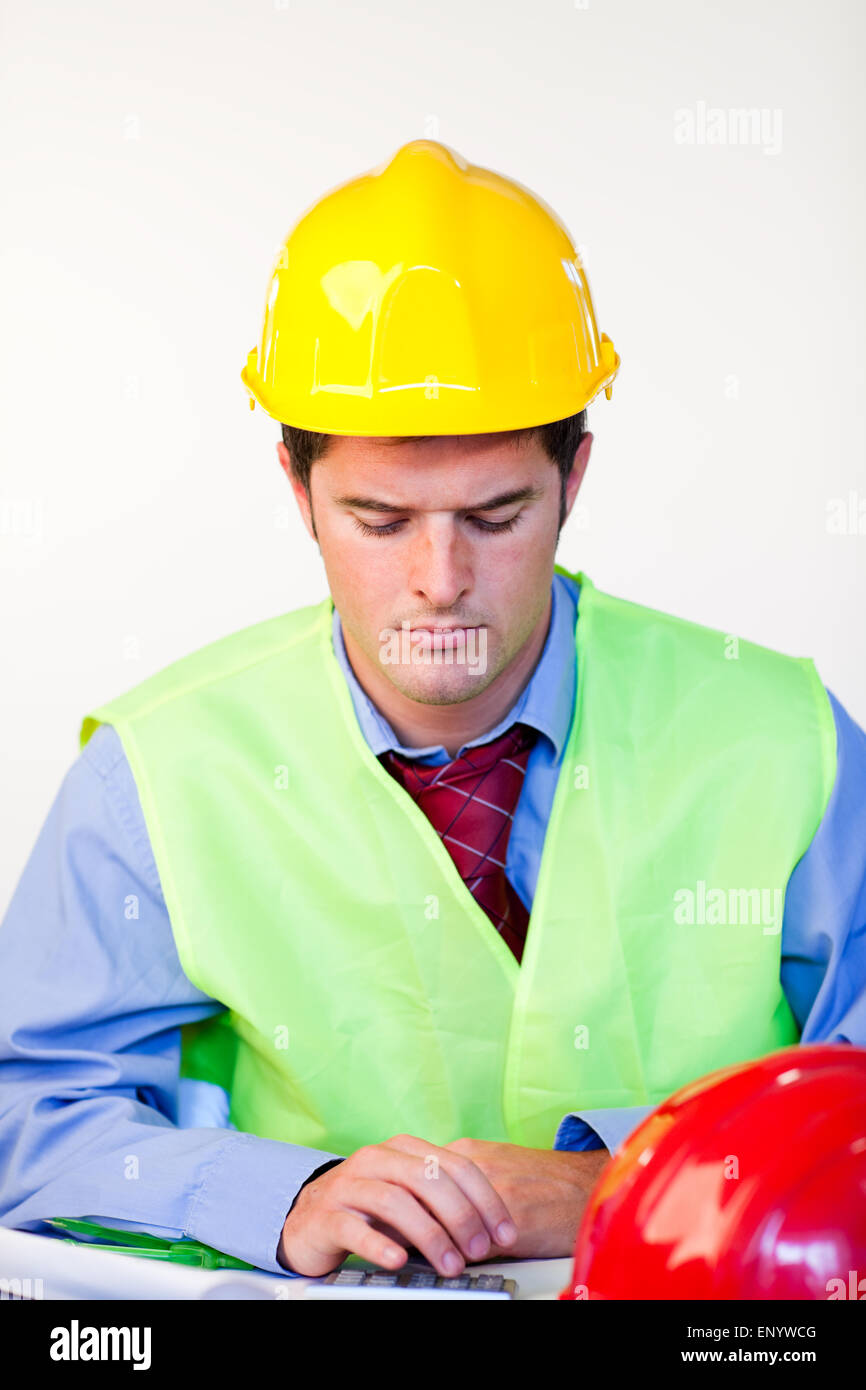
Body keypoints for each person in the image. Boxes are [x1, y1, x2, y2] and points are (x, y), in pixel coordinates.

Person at [1, 140, 864, 1282]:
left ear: (576, 476)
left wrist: (626, 1176)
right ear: (294, 488)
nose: (439, 578)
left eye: (496, 514)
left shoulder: (778, 734)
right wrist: (282, 1194)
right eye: (378, 519)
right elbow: (31, 1115)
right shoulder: (158, 771)